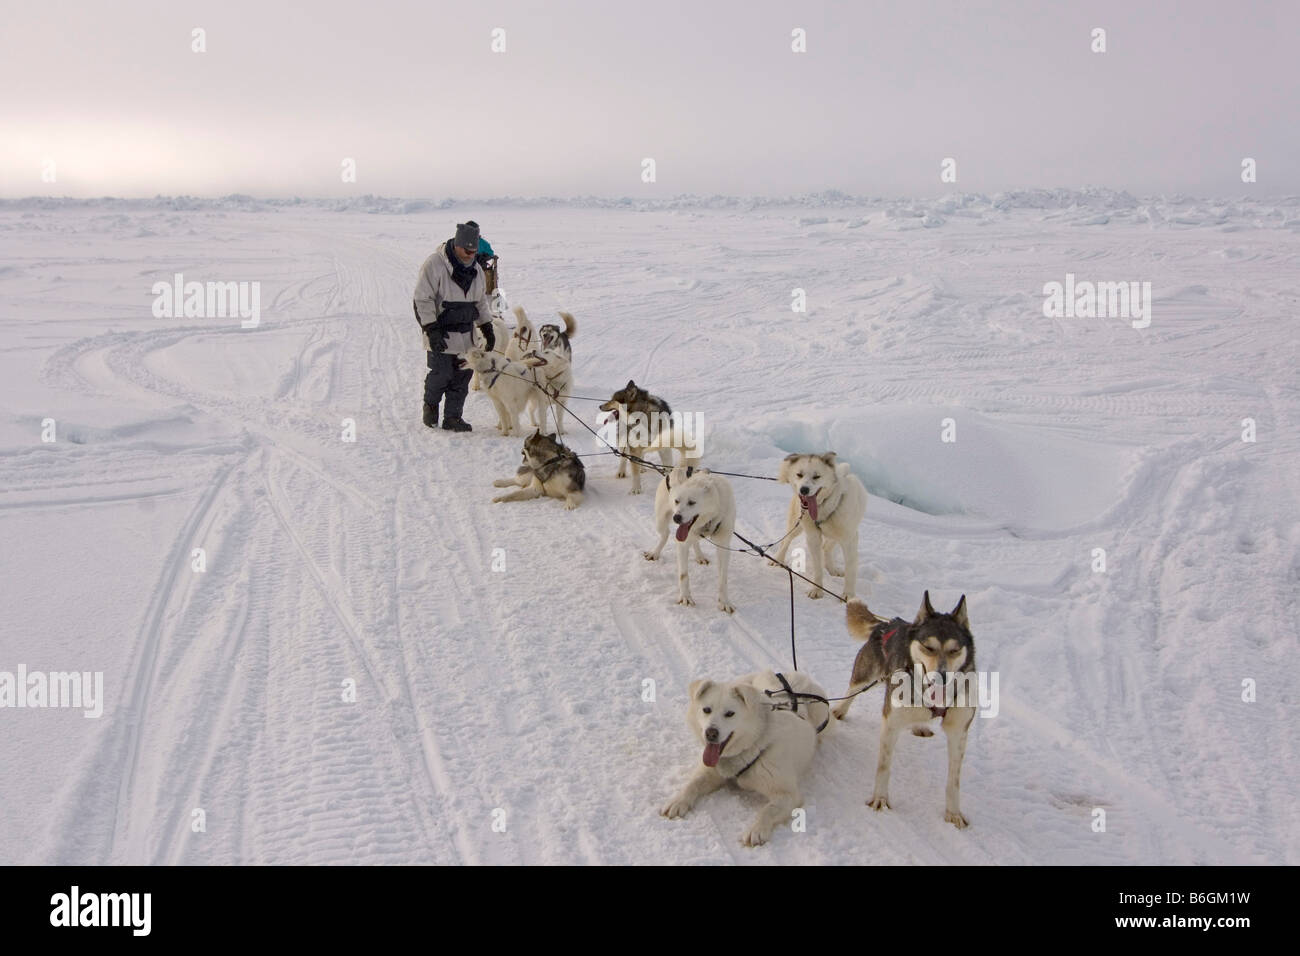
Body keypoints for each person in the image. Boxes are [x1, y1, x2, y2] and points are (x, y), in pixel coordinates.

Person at [413, 221, 496, 431]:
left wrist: (487, 326)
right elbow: (422, 300)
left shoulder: (476, 270)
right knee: (440, 375)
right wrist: (431, 329)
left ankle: (453, 418)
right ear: (457, 244)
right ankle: (430, 408)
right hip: (440, 333)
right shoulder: (434, 264)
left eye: (474, 251)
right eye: (467, 250)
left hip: (466, 337)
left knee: (461, 378)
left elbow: (480, 302)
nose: (470, 255)